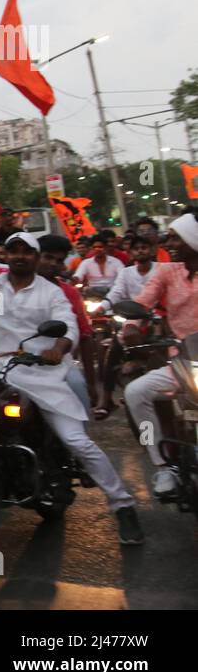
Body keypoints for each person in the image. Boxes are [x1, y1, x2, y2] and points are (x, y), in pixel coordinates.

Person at [0, 233, 143, 544]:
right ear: (5, 256)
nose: (19, 256)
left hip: (42, 374)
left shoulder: (52, 293)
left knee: (76, 440)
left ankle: (122, 505)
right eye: (13, 251)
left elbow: (70, 327)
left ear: (36, 259)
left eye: (27, 252)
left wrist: (59, 348)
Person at [123, 213, 198, 497]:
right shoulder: (167, 271)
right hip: (181, 361)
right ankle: (163, 466)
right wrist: (131, 326)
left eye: (177, 237)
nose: (170, 242)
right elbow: (143, 301)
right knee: (134, 393)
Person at [35, 235, 96, 417]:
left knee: (77, 387)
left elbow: (85, 337)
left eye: (58, 260)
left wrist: (91, 384)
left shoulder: (69, 292)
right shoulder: (13, 284)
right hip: (16, 361)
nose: (53, 264)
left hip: (59, 362)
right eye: (48, 257)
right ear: (36, 256)